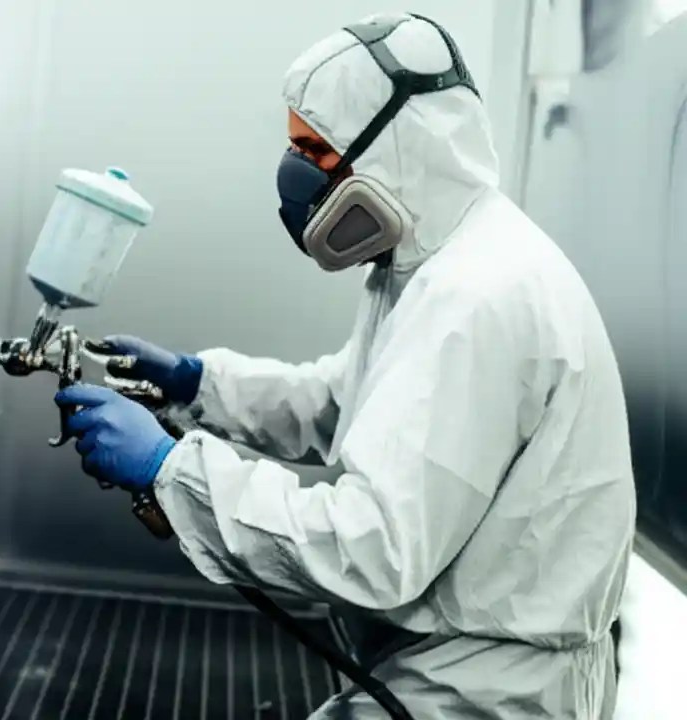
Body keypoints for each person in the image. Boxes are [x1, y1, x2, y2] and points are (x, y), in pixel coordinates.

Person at [56, 12, 636, 719]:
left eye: (313, 149)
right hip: (455, 663)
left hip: (488, 694)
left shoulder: (477, 299)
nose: (294, 173)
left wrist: (169, 470)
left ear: (394, 148)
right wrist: (195, 382)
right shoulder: (437, 260)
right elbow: (344, 400)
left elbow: (375, 548)